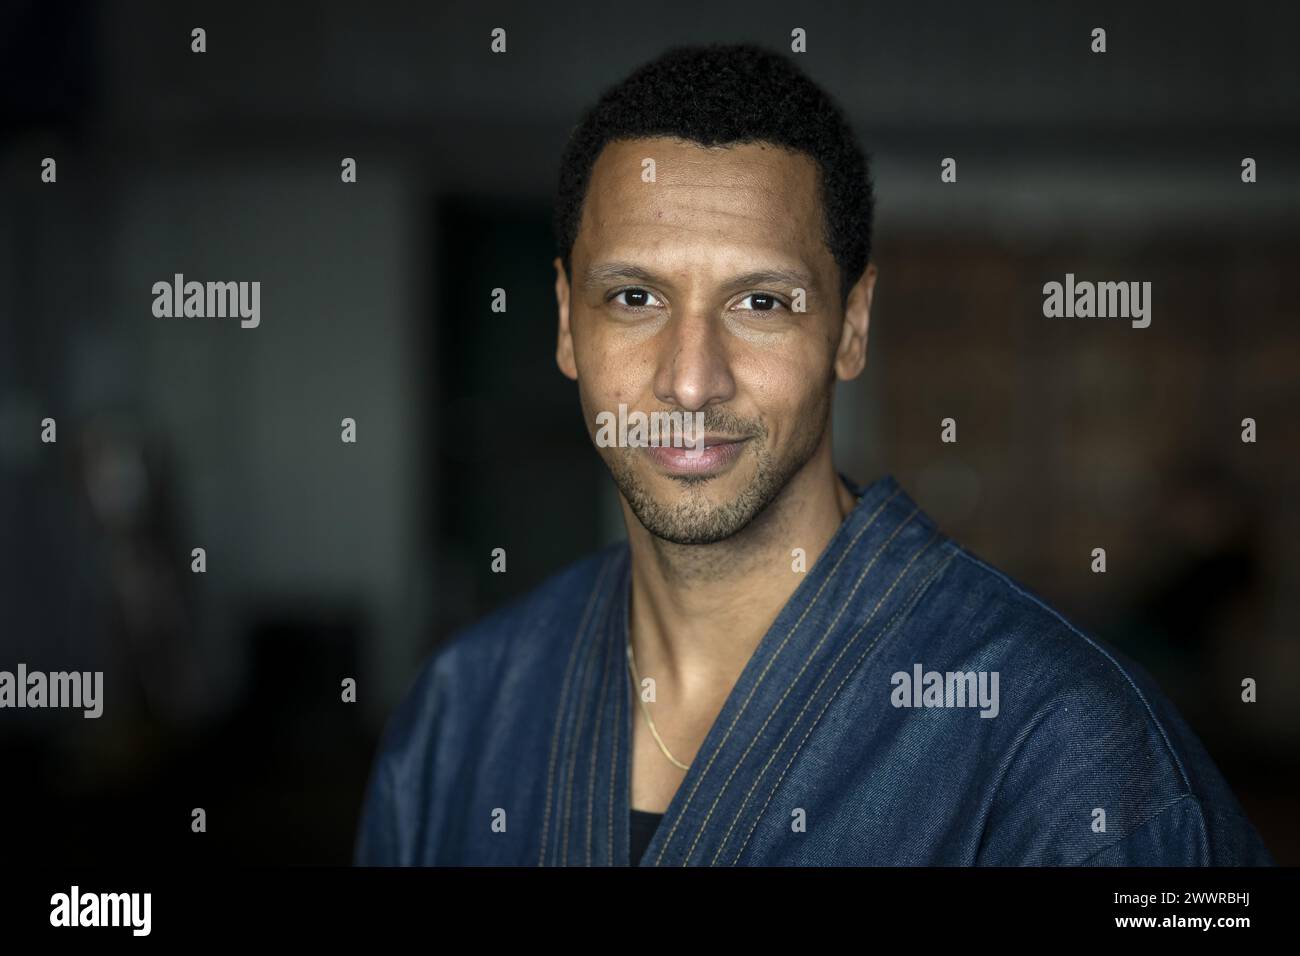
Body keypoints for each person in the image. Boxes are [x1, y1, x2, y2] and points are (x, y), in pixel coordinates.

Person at [354, 42, 1273, 866]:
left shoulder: (1065, 749)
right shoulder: (464, 711)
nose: (689, 382)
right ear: (564, 323)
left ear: (850, 326)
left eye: (762, 302)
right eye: (634, 298)